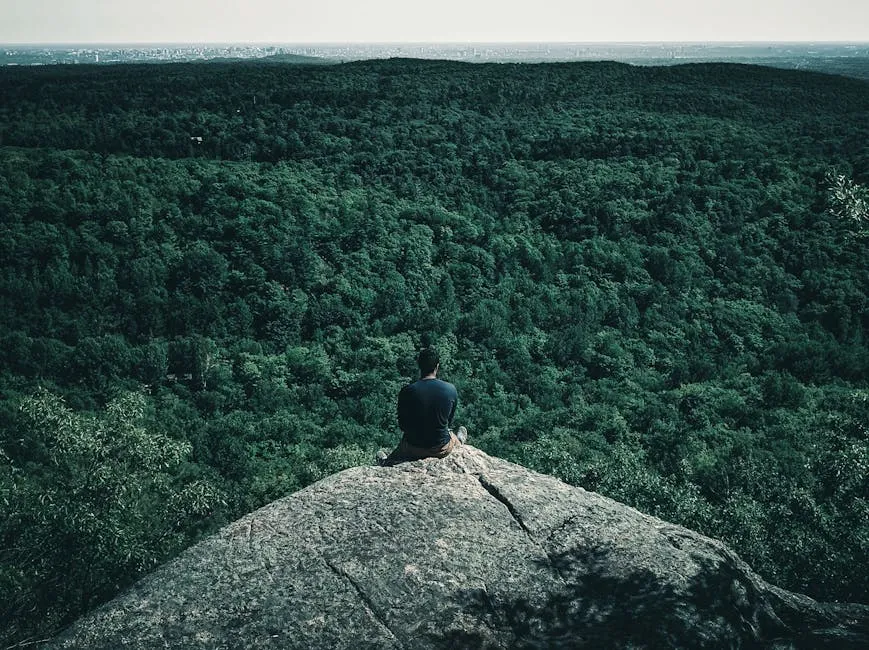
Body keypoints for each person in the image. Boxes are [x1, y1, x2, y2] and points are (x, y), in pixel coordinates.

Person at [378, 347, 467, 466]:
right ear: (437, 367)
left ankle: (385, 462)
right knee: (449, 433)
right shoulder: (450, 389)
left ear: (419, 366)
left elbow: (403, 426)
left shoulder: (407, 391)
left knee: (400, 447)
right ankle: (459, 441)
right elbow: (448, 422)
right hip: (441, 448)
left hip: (413, 448)